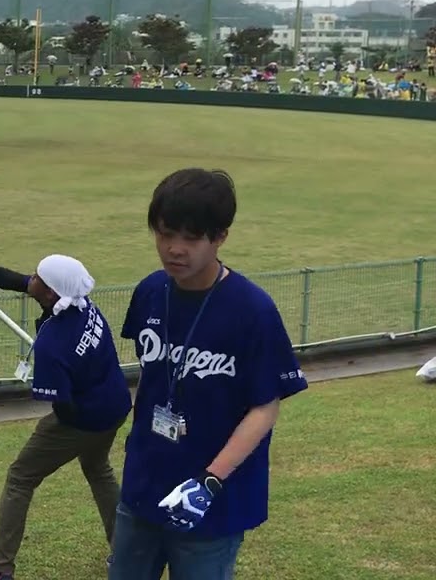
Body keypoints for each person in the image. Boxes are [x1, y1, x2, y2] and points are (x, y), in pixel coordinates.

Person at [109, 168, 309, 579]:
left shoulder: (253, 311)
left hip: (211, 501)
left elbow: (265, 407)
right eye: (165, 234)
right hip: (144, 486)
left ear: (219, 237)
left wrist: (209, 481)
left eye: (190, 237)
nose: (174, 249)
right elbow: (151, 373)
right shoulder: (150, 291)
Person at [0, 254, 131, 580]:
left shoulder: (54, 344)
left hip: (85, 416)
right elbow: (14, 279)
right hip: (116, 405)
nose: (32, 280)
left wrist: (59, 430)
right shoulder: (82, 304)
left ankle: (0, 572)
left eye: (39, 279)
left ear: (52, 294)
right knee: (98, 469)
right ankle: (127, 555)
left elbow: (62, 405)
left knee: (20, 477)